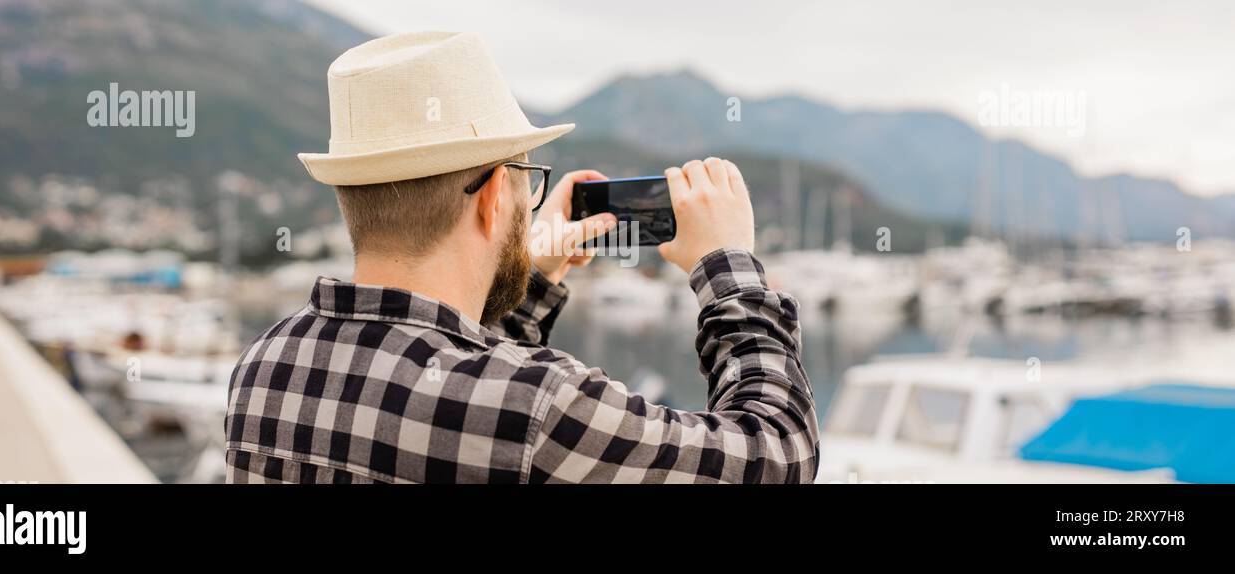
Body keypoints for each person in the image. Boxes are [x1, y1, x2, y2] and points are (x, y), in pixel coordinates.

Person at [224, 31, 818, 483]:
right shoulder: (541, 406)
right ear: (489, 198)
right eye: (525, 179)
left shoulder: (263, 366)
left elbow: (441, 375)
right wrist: (726, 264)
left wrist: (528, 275)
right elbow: (777, 452)